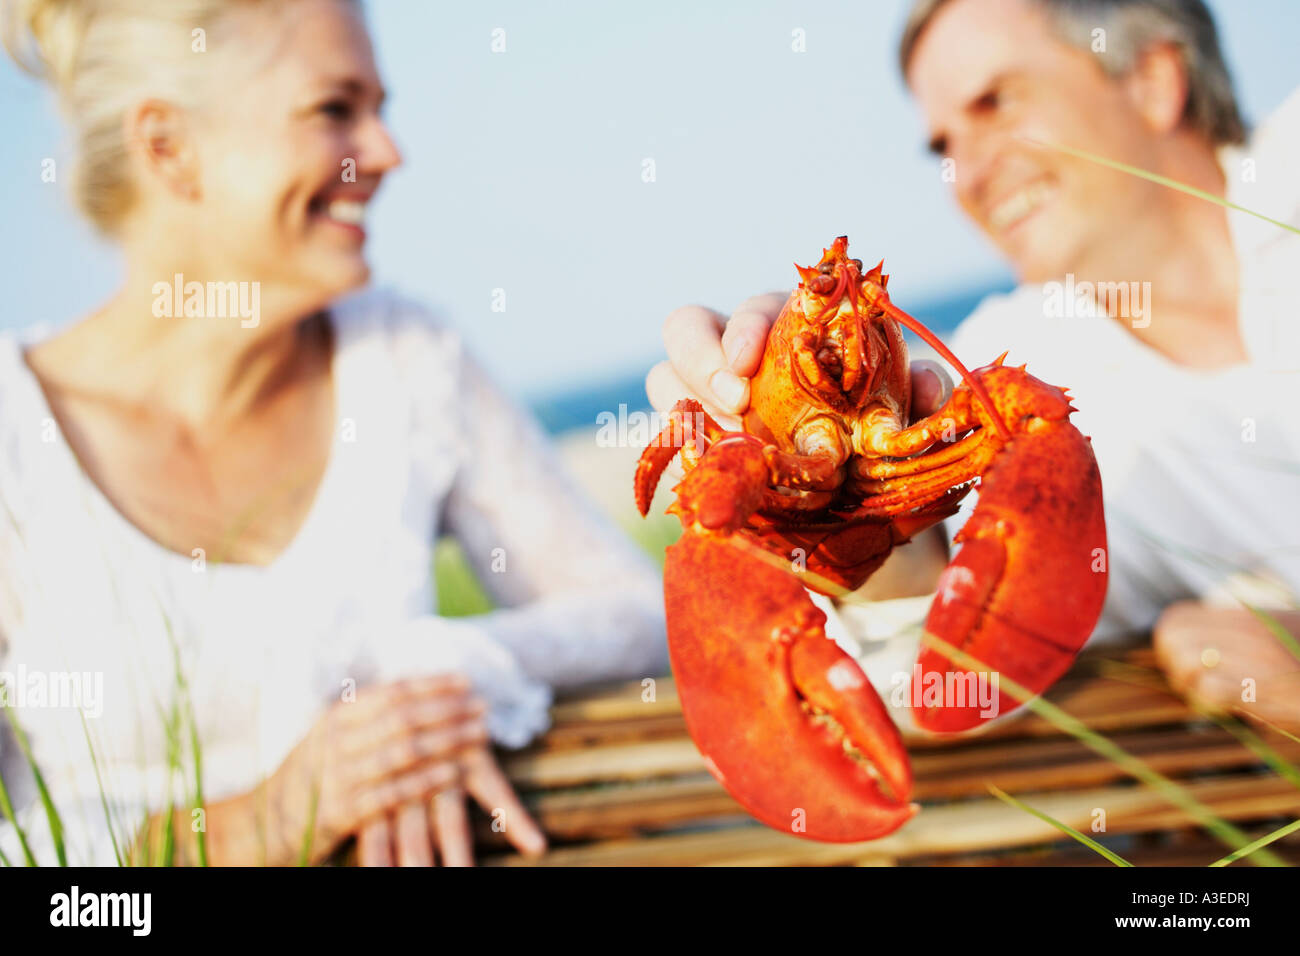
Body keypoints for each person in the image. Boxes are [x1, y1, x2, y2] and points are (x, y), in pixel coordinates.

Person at [0, 0, 667, 866]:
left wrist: (440, 667)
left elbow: (639, 622)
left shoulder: (405, 354)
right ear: (169, 147)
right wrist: (262, 825)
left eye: (379, 109)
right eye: (335, 109)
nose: (389, 153)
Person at [649, 0, 1300, 729]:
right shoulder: (1020, 371)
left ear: (1151, 78)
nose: (969, 171)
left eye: (997, 102)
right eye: (943, 146)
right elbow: (944, 691)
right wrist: (846, 515)